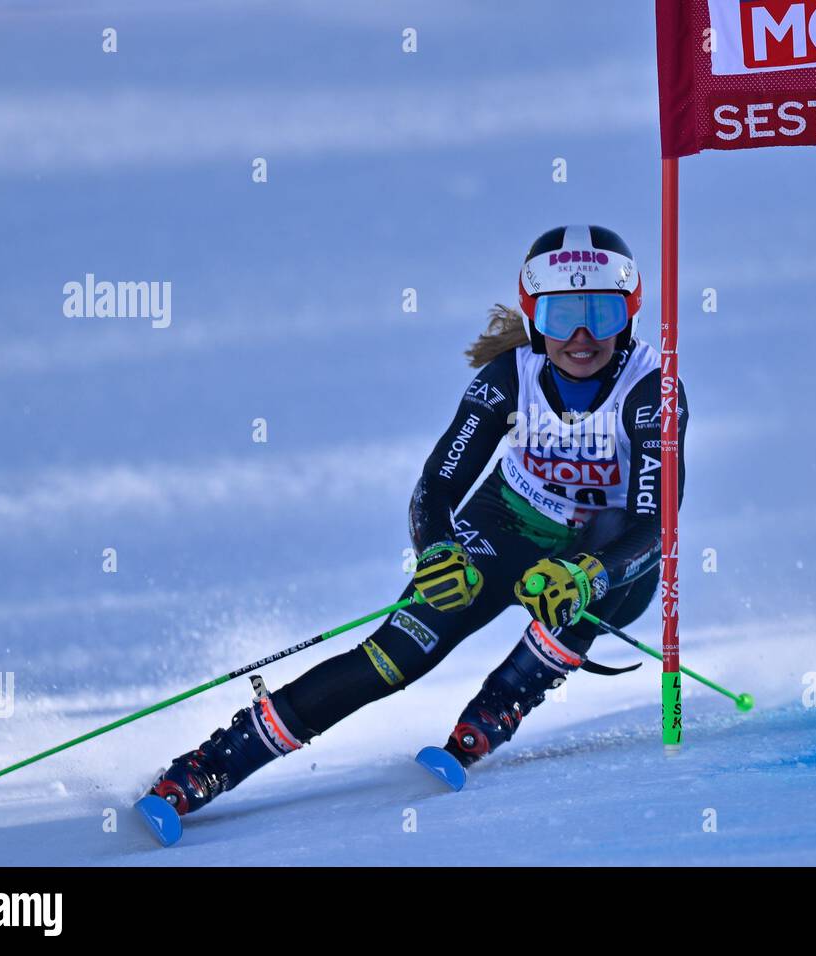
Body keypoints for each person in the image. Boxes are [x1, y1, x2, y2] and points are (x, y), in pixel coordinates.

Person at [148, 225, 689, 815]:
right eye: (561, 317)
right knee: (397, 655)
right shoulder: (510, 376)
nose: (581, 337)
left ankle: (500, 704)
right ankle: (212, 764)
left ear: (629, 315)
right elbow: (437, 485)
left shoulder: (651, 390)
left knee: (596, 553)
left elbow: (656, 525)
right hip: (509, 522)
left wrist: (590, 575)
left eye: (601, 314)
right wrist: (436, 550)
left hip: (614, 561)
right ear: (534, 316)